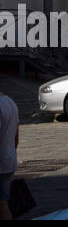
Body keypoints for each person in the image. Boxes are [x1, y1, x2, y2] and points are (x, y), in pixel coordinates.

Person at [0, 88, 18, 220]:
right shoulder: (10, 102)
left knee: (2, 204)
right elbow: (16, 138)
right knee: (3, 202)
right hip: (9, 160)